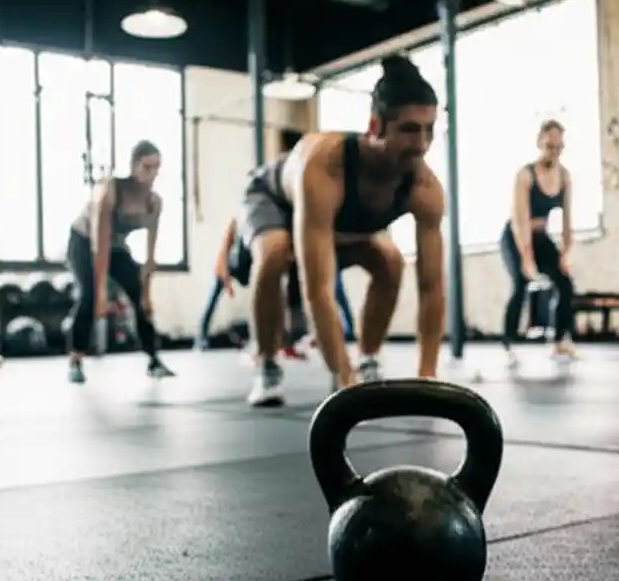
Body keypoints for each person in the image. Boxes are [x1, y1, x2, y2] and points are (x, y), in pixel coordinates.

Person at [236, 53, 447, 407]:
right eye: (410, 130)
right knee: (273, 252)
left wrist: (427, 380)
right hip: (273, 198)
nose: (422, 144)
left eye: (429, 130)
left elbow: (432, 287)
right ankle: (268, 364)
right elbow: (318, 287)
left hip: (334, 222)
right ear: (375, 126)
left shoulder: (424, 188)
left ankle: (368, 358)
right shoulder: (325, 164)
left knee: (390, 261)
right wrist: (343, 380)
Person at [65, 140, 176, 383]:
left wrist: (146, 293)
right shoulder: (110, 189)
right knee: (90, 295)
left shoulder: (154, 202)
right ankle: (76, 360)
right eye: (147, 167)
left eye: (157, 168)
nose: (153, 173)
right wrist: (103, 291)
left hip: (115, 246)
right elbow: (99, 242)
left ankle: (153, 360)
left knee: (137, 294)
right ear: (134, 166)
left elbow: (149, 258)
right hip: (85, 241)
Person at [197, 215, 355, 352]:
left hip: (259, 262)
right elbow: (229, 237)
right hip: (239, 264)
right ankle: (201, 336)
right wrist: (222, 265)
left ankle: (342, 331)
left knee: (329, 284)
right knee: (218, 283)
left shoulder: (282, 225)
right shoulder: (244, 221)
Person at [501, 119, 578, 365]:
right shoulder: (525, 175)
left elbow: (567, 222)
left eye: (558, 147)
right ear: (539, 143)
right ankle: (509, 344)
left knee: (565, 283)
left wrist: (565, 254)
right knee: (520, 284)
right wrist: (526, 258)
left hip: (542, 237)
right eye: (549, 146)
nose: (553, 152)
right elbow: (519, 220)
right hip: (515, 236)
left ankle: (560, 342)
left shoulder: (564, 176)